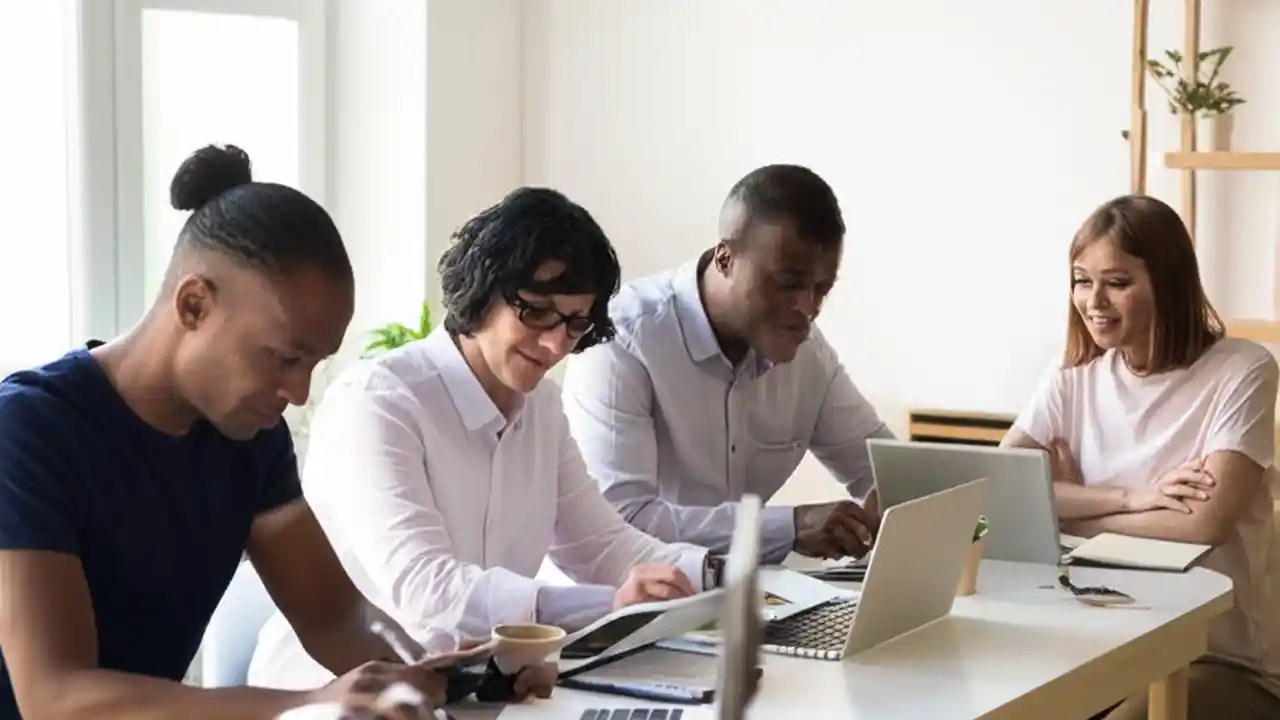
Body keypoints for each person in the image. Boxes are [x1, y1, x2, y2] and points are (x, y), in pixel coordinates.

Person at [0, 144, 485, 719]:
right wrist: (307, 701)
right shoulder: (27, 431)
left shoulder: (250, 437)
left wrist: (445, 679)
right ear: (194, 304)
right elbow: (57, 699)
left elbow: (333, 614)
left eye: (314, 364)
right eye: (283, 358)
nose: (299, 391)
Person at [248, 187, 716, 690]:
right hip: (329, 695)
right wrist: (612, 604)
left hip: (461, 688)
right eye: (536, 311)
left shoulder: (541, 409)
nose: (556, 343)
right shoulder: (379, 400)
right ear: (483, 289)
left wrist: (715, 578)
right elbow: (427, 590)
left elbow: (603, 545)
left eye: (575, 324)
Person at [1002, 194, 1280, 719]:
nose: (1094, 301)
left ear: (1169, 284)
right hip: (1102, 641)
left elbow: (1202, 525)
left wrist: (1068, 507)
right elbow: (1004, 489)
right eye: (1082, 280)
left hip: (1218, 656)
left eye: (1118, 282)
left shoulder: (1242, 370)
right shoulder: (1071, 377)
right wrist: (1135, 499)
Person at [561, 164, 892, 564]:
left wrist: (896, 502)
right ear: (725, 258)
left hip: (740, 605)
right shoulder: (623, 341)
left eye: (823, 289)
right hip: (615, 610)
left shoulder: (808, 355)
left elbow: (886, 470)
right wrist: (789, 527)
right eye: (788, 282)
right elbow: (621, 523)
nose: (808, 307)